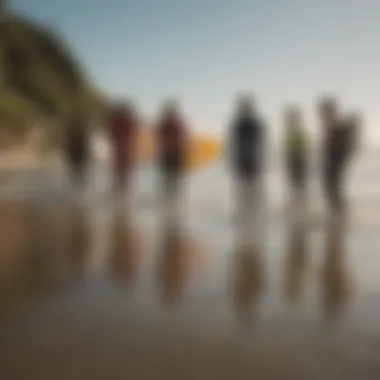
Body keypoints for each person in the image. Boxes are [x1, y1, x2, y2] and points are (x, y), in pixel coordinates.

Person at [228, 95, 265, 225]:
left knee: (250, 188)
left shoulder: (252, 123)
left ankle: (251, 214)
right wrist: (233, 160)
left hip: (250, 159)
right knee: (246, 188)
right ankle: (247, 214)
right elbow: (234, 144)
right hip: (246, 159)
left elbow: (260, 144)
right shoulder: (241, 124)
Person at [318, 97, 358, 214]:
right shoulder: (334, 126)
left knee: (333, 188)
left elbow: (342, 148)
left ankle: (339, 212)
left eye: (324, 112)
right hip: (334, 162)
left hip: (335, 162)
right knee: (332, 188)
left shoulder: (338, 127)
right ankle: (337, 212)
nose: (322, 116)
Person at [155, 101, 189, 199]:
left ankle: (171, 200)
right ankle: (171, 200)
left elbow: (182, 137)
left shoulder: (170, 124)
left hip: (171, 153)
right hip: (171, 153)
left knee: (171, 179)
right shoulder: (172, 123)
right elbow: (182, 138)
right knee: (171, 179)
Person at [108, 100, 139, 194]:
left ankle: (122, 191)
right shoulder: (121, 120)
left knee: (122, 173)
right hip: (122, 149)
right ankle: (121, 191)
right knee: (121, 173)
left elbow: (132, 131)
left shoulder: (122, 120)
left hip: (123, 149)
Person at [284, 106, 308, 203]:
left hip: (298, 157)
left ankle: (300, 198)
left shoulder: (297, 131)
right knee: (295, 179)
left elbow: (302, 146)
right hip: (294, 157)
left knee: (299, 179)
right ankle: (297, 198)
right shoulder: (292, 132)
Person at [65, 106, 90, 190]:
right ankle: (77, 187)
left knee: (78, 169)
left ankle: (77, 187)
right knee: (77, 169)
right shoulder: (77, 127)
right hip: (77, 149)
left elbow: (84, 140)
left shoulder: (77, 127)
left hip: (78, 149)